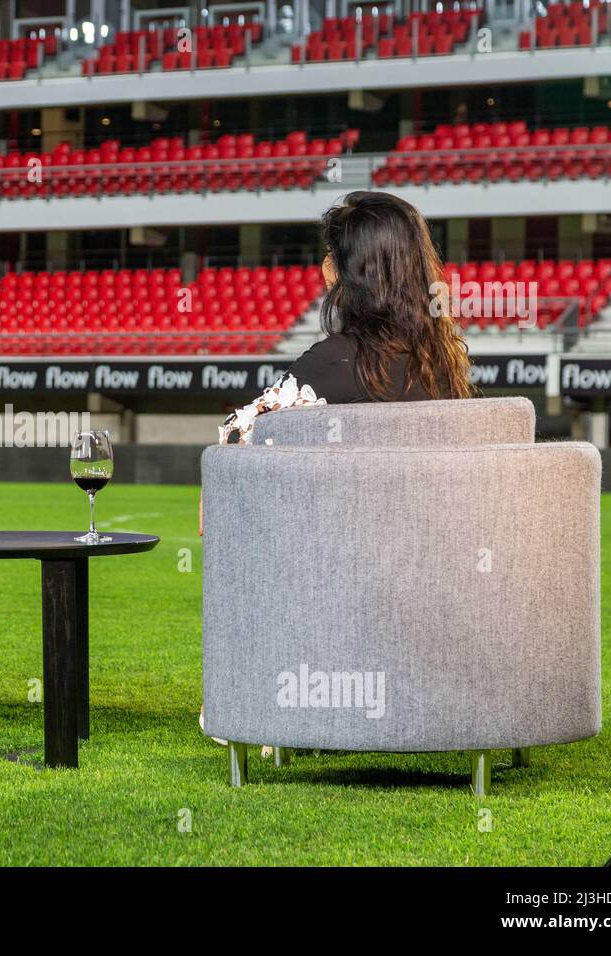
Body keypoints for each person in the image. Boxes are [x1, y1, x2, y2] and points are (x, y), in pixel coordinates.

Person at [199, 190, 475, 746]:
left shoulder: (327, 367)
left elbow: (235, 437)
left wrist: (214, 491)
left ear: (341, 272)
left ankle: (247, 691)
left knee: (239, 492)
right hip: (439, 594)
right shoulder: (448, 372)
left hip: (338, 599)